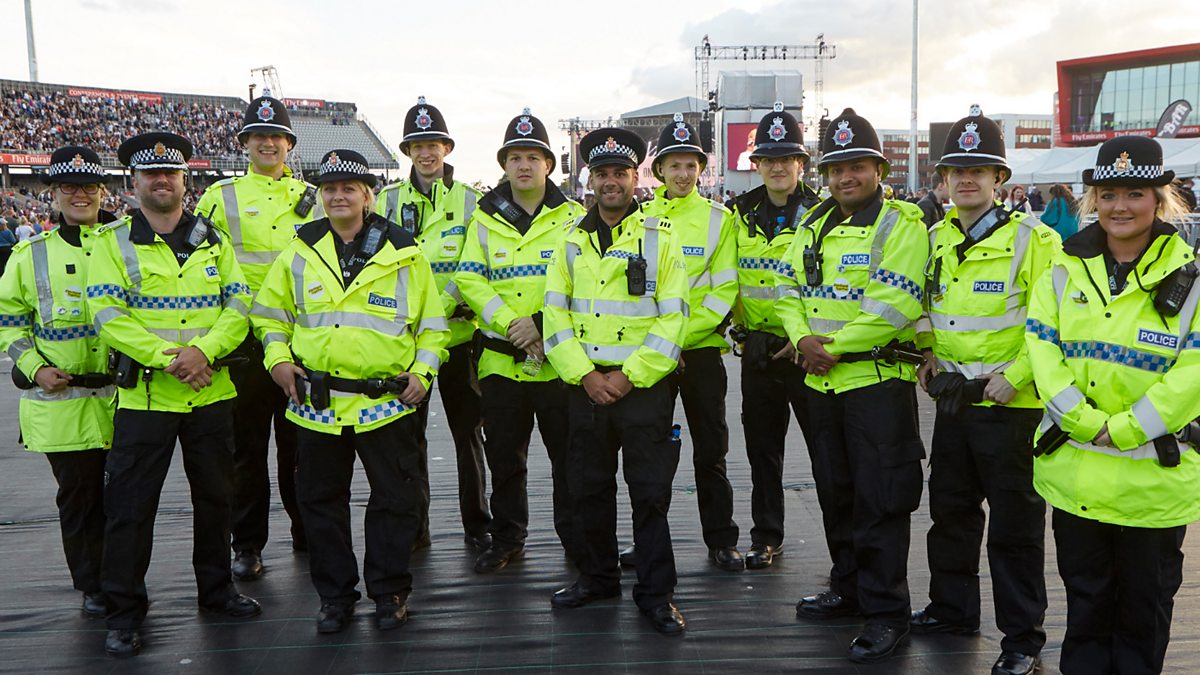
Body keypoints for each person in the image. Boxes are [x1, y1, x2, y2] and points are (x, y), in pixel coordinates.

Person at [250, 149, 449, 634]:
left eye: (349, 189)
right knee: (320, 505)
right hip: (316, 405)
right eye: (329, 189)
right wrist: (277, 361)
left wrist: (423, 375)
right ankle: (335, 597)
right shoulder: (298, 251)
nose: (338, 196)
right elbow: (269, 316)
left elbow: (433, 327)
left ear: (367, 195)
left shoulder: (405, 252)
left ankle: (389, 592)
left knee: (395, 502)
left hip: (386, 404)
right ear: (320, 197)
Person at [1025, 135, 1199, 675]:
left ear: (1160, 198)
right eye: (1107, 193)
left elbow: (1193, 371)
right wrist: (1081, 419)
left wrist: (1123, 429)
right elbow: (1041, 345)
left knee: (1143, 616)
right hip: (1077, 475)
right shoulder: (1061, 267)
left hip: (1152, 481)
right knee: (1086, 607)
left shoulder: (1193, 278)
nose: (1119, 206)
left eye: (1135, 193)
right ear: (1091, 198)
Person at [86, 132, 260, 657]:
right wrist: (175, 359)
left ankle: (217, 591)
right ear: (134, 183)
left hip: (210, 395)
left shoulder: (213, 239)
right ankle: (124, 613)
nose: (162, 181)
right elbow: (108, 317)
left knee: (217, 501)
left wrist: (204, 351)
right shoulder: (111, 243)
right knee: (130, 511)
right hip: (145, 401)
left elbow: (239, 304)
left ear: (186, 180)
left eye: (172, 173)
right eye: (151, 174)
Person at [911, 107, 1061, 675]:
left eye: (980, 170)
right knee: (950, 513)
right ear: (943, 180)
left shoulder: (1035, 240)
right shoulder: (933, 238)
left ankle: (1022, 638)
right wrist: (927, 356)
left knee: (1015, 527)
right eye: (957, 171)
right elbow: (920, 307)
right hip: (953, 403)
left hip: (1011, 408)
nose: (967, 180)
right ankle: (953, 609)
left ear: (1001, 181)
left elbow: (1052, 324)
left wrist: (1016, 377)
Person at [778, 108, 930, 663]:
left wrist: (828, 348)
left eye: (857, 167)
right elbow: (787, 290)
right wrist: (800, 340)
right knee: (835, 492)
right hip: (822, 387)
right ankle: (848, 588)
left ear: (878, 169)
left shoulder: (902, 225)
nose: (846, 177)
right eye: (837, 167)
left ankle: (887, 612)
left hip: (875, 387)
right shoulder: (813, 224)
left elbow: (894, 306)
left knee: (881, 501)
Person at [543, 127, 690, 636]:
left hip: (642, 389)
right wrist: (585, 376)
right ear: (590, 178)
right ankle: (598, 577)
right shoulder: (568, 242)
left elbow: (674, 319)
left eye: (620, 173)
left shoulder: (661, 240)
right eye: (602, 173)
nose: (611, 182)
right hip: (584, 389)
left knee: (650, 494)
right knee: (588, 489)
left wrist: (627, 378)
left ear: (635, 177)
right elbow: (554, 316)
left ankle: (656, 594)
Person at [195, 94, 321, 580]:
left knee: (302, 449)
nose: (268, 143)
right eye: (259, 136)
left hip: (297, 340)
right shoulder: (219, 196)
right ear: (246, 143)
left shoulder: (313, 196)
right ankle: (246, 544)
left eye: (277, 137)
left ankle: (307, 531)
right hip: (244, 344)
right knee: (246, 452)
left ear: (289, 144)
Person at [453, 109, 585, 573]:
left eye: (533, 156)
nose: (524, 165)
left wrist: (541, 325)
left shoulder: (574, 217)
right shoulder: (484, 219)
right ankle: (508, 537)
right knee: (505, 460)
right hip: (500, 362)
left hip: (559, 362)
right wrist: (514, 323)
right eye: (515, 157)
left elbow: (585, 284)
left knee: (568, 458)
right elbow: (470, 278)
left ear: (548, 164)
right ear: (504, 165)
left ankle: (576, 538)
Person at [0, 146, 118, 619]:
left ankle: (123, 578)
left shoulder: (126, 244)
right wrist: (33, 368)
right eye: (68, 186)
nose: (79, 194)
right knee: (80, 499)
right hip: (60, 406)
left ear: (103, 191)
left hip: (123, 400)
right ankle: (92, 584)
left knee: (125, 500)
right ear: (53, 194)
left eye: (89, 186)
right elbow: (8, 324)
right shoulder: (29, 256)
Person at [626, 113, 743, 571]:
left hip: (697, 353)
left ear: (701, 168)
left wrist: (677, 336)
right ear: (659, 170)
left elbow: (724, 290)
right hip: (652, 358)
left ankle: (721, 539)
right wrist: (658, 343)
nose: (681, 173)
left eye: (689, 164)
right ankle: (648, 544)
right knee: (649, 455)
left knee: (711, 450)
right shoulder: (640, 218)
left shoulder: (720, 220)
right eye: (672, 164)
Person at [374, 96, 490, 551]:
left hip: (459, 337)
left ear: (447, 147)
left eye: (433, 143)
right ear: (407, 151)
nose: (426, 152)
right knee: (407, 437)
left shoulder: (471, 201)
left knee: (469, 435)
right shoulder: (384, 201)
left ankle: (478, 524)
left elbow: (472, 263)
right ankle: (414, 525)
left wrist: (439, 308)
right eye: (417, 144)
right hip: (405, 342)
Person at [729, 101, 820, 570]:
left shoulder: (822, 215)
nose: (779, 166)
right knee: (763, 452)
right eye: (769, 158)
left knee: (826, 455)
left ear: (801, 164)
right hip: (760, 350)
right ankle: (766, 536)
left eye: (788, 158)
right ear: (757, 164)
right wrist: (735, 331)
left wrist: (802, 336)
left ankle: (842, 548)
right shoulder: (735, 215)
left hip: (808, 353)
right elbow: (722, 279)